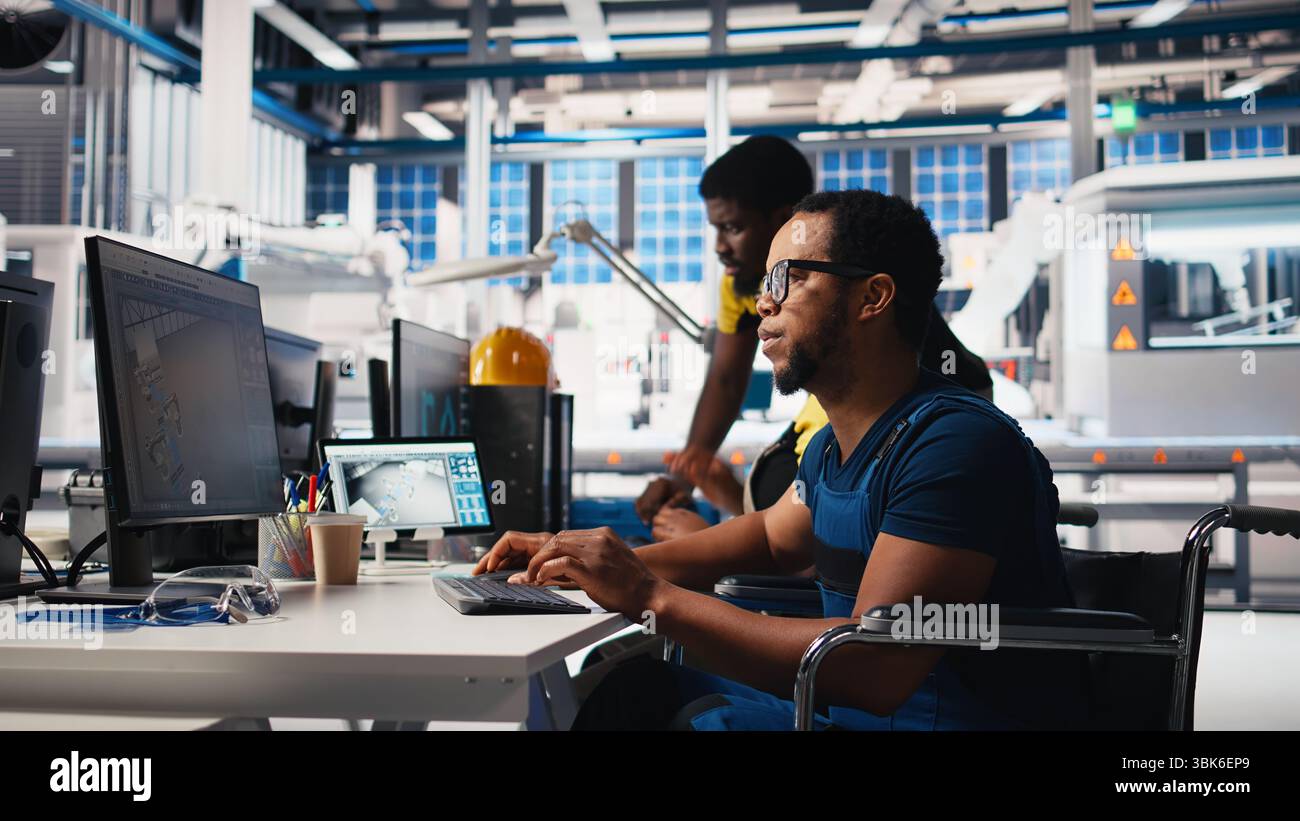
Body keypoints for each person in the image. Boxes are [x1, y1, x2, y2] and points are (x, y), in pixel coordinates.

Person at [476, 189, 1088, 730]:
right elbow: (773, 535)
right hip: (848, 712)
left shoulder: (952, 443)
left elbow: (874, 666)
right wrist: (581, 559)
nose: (761, 304)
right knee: (635, 689)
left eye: (785, 279)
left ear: (873, 297)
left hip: (941, 720)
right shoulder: (831, 445)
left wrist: (647, 595)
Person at [639, 136, 993, 543]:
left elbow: (840, 579)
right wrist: (688, 477)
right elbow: (725, 378)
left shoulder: (921, 405)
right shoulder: (743, 283)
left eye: (733, 227)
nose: (764, 307)